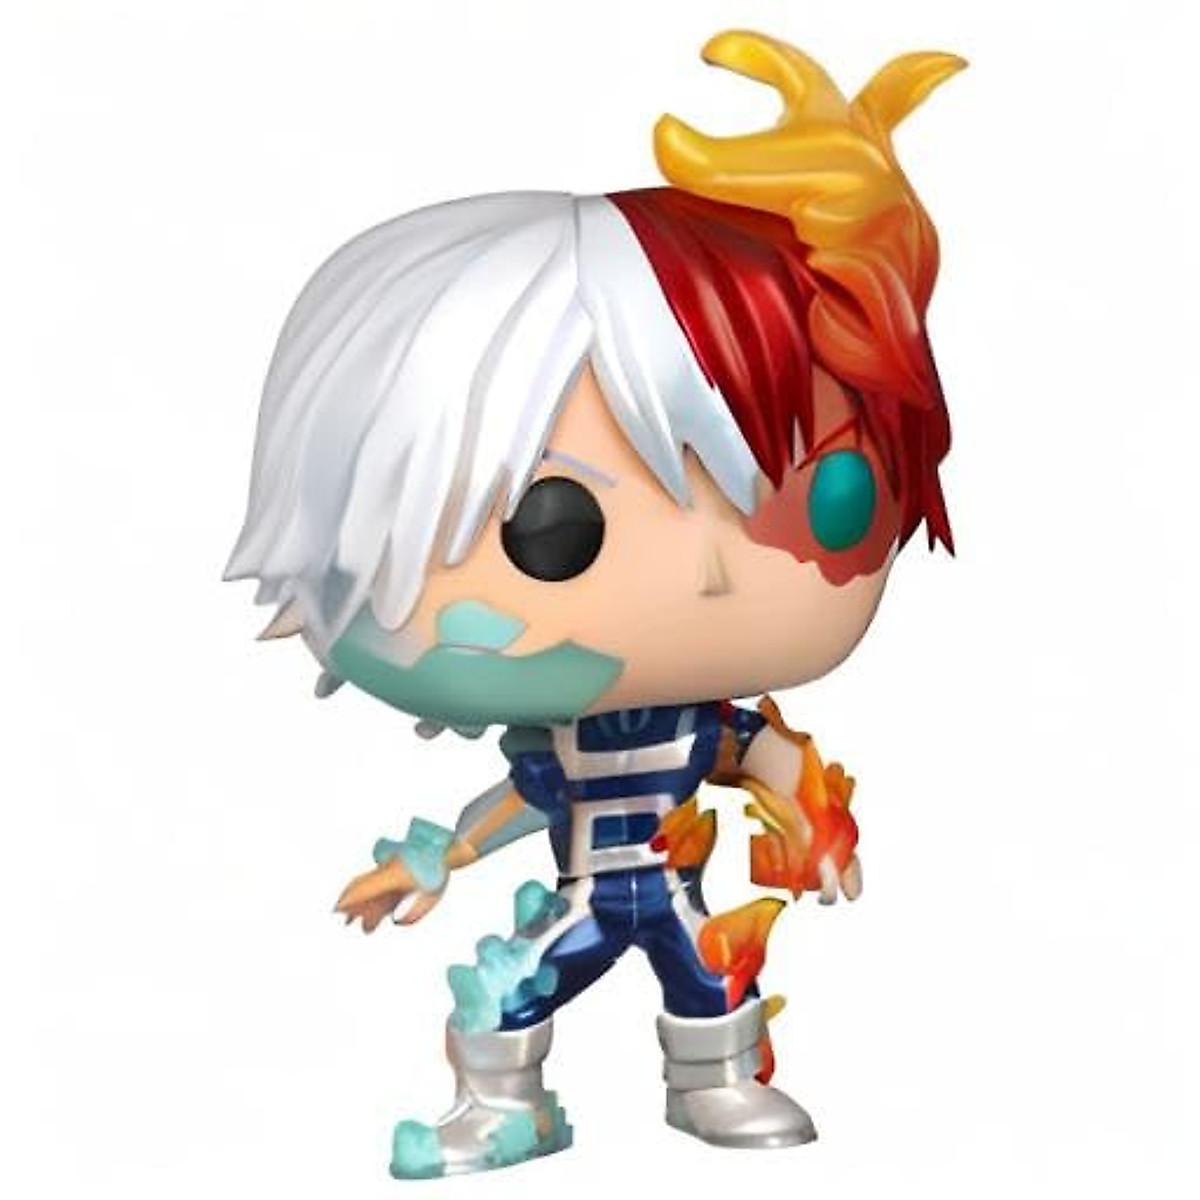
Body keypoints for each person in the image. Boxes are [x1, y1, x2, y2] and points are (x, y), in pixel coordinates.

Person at [226, 29, 962, 1179]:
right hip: (586, 892)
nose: (713, 570)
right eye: (554, 529)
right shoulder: (567, 737)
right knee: (508, 991)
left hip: (675, 891)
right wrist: (437, 858)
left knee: (716, 977)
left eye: (827, 497)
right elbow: (518, 801)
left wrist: (815, 826)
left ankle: (714, 1084)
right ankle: (503, 1107)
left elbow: (762, 757)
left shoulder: (700, 723)